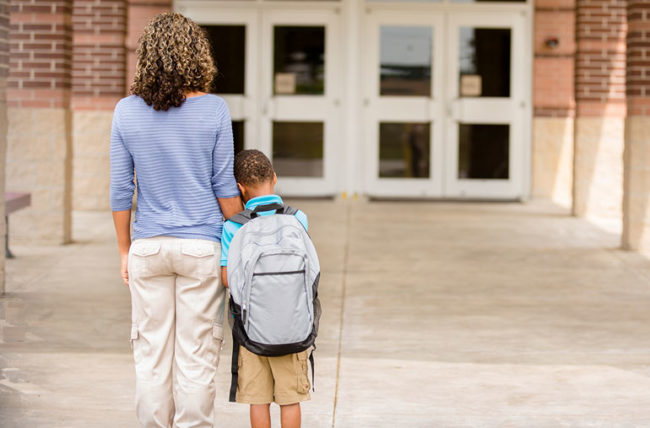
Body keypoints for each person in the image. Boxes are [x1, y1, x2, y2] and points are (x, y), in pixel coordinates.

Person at [109, 12, 242, 428]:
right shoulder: (215, 110)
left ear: (145, 56)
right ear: (197, 56)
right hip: (202, 247)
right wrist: (242, 238)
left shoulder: (126, 112)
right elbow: (224, 188)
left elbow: (119, 192)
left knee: (151, 355)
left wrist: (124, 251)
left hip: (148, 246)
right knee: (197, 355)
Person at [221, 150, 310, 428]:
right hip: (292, 327)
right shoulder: (298, 219)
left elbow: (227, 279)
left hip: (252, 330)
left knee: (258, 400)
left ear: (240, 187)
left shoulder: (234, 227)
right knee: (290, 398)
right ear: (274, 177)